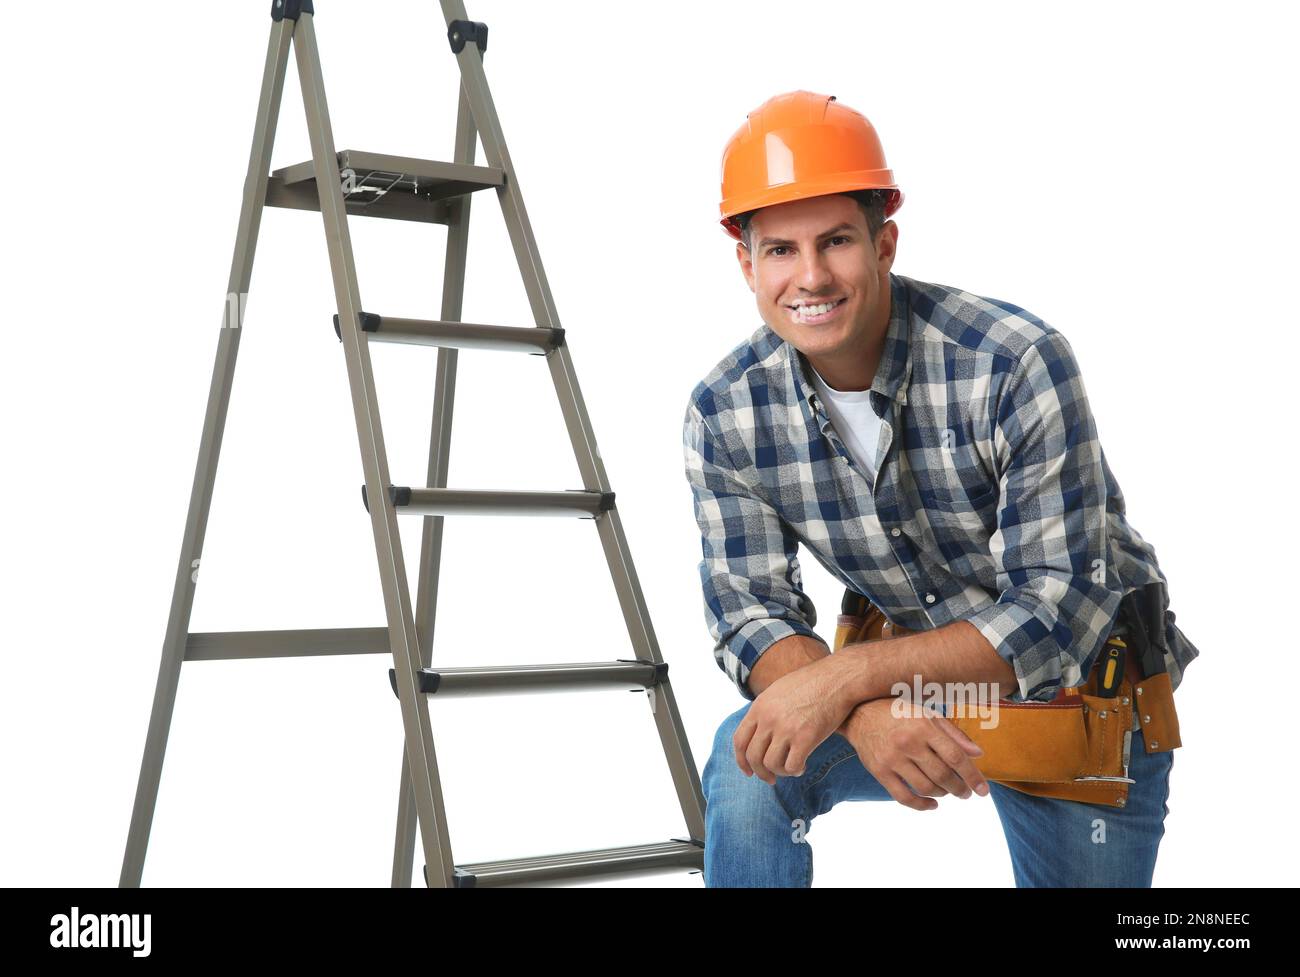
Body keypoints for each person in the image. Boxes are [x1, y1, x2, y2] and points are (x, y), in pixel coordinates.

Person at [681, 90, 1200, 887]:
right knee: (748, 758)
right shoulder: (726, 410)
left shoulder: (1013, 361)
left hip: (1076, 703)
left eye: (837, 241)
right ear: (747, 263)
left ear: (884, 242)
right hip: (908, 687)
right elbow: (748, 609)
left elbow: (1052, 610)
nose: (810, 275)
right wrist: (860, 715)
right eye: (781, 249)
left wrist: (846, 680)